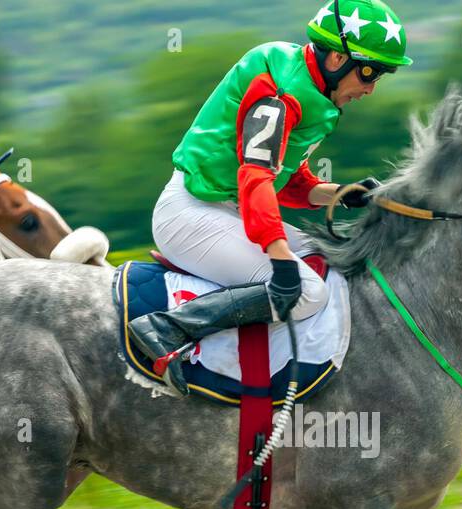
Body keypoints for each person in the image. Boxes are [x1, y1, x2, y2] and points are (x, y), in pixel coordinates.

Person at [129, 0, 412, 395]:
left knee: (330, 255)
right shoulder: (280, 92)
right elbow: (256, 178)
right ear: (335, 58)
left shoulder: (310, 89)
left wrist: (340, 194)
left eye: (380, 75)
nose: (370, 87)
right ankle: (169, 328)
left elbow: (289, 182)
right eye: (369, 72)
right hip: (190, 214)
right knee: (307, 292)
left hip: (228, 212)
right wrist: (279, 257)